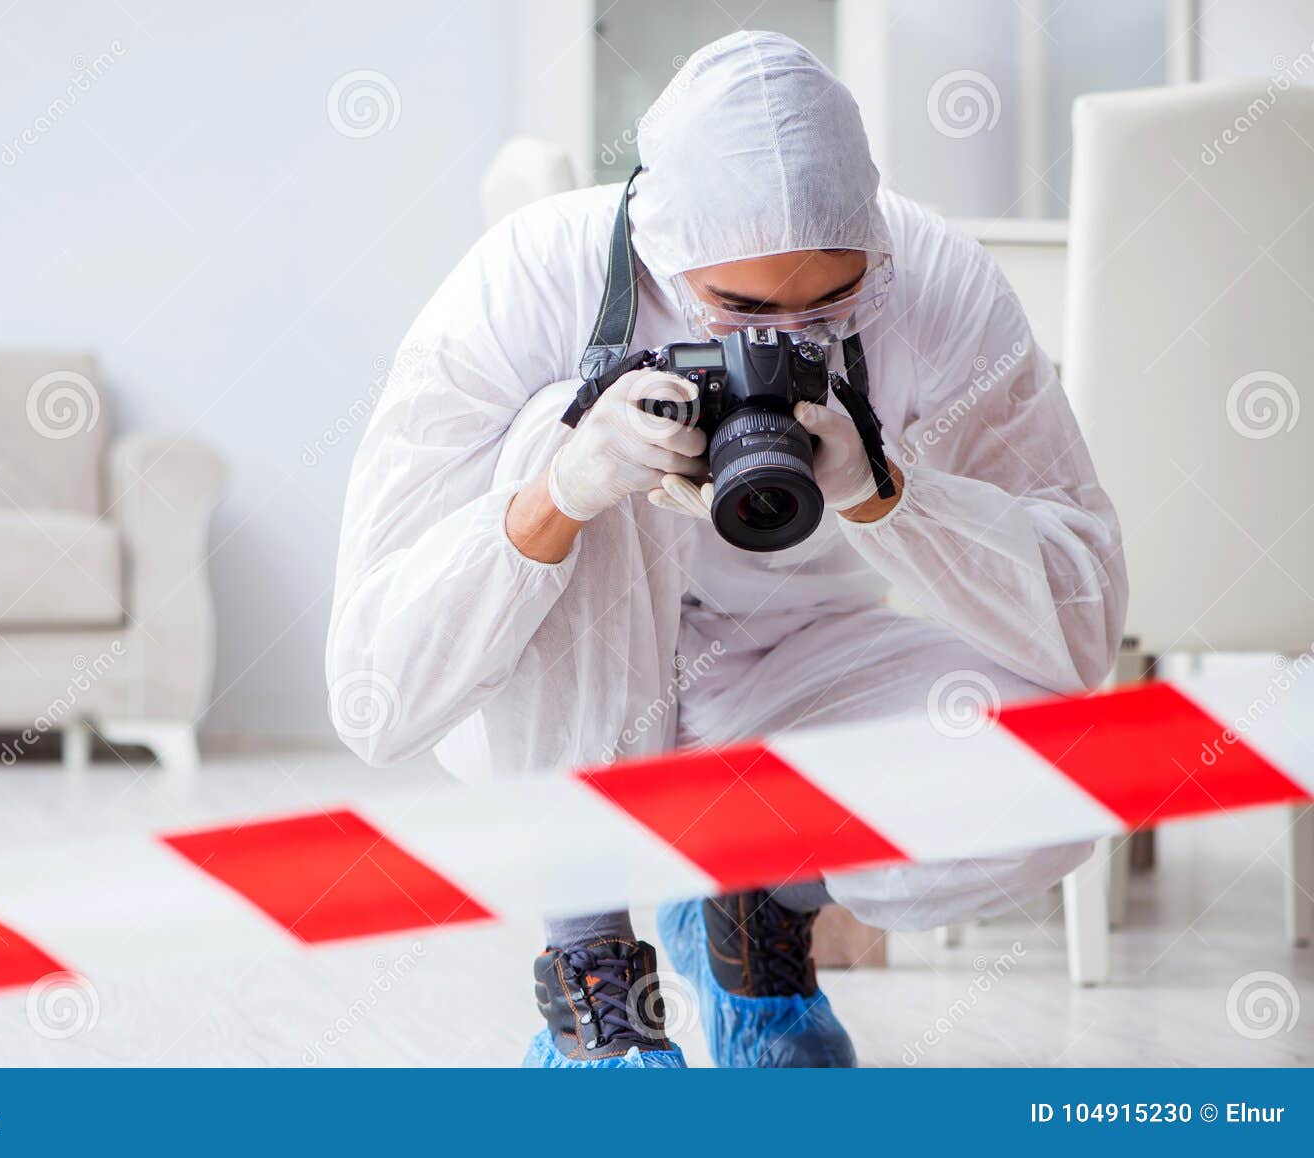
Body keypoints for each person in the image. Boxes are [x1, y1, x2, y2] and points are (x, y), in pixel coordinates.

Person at [326, 31, 1127, 1068]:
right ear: (664, 253)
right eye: (741, 313)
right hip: (563, 713)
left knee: (1070, 774)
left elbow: (1082, 629)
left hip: (799, 672)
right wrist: (557, 493)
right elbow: (373, 697)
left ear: (873, 251)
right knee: (553, 424)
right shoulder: (525, 279)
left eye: (826, 306)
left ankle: (757, 904)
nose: (784, 344)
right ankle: (591, 973)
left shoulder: (934, 285)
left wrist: (887, 494)